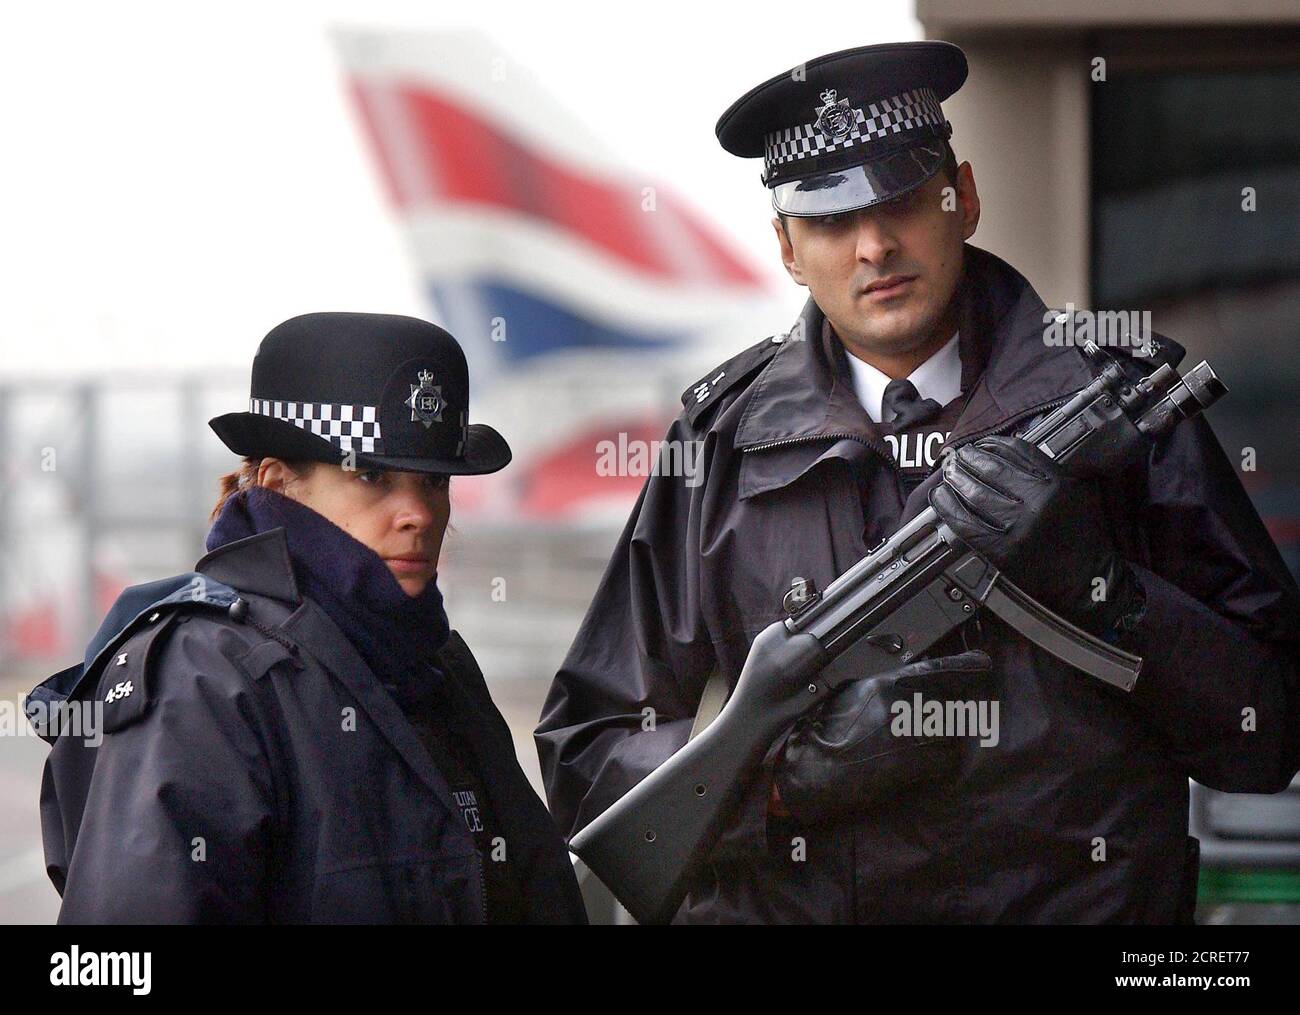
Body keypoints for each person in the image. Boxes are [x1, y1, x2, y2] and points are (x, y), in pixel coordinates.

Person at [535, 42, 1300, 923]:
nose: (874, 245)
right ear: (786, 247)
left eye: (901, 197)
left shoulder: (1115, 415)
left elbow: (1267, 732)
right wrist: (783, 777)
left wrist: (1107, 593)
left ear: (962, 197)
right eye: (828, 221)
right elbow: (588, 748)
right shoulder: (722, 449)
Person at [28, 312, 586, 924]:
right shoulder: (205, 679)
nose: (419, 514)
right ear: (278, 483)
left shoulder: (437, 666)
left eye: (433, 482)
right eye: (371, 476)